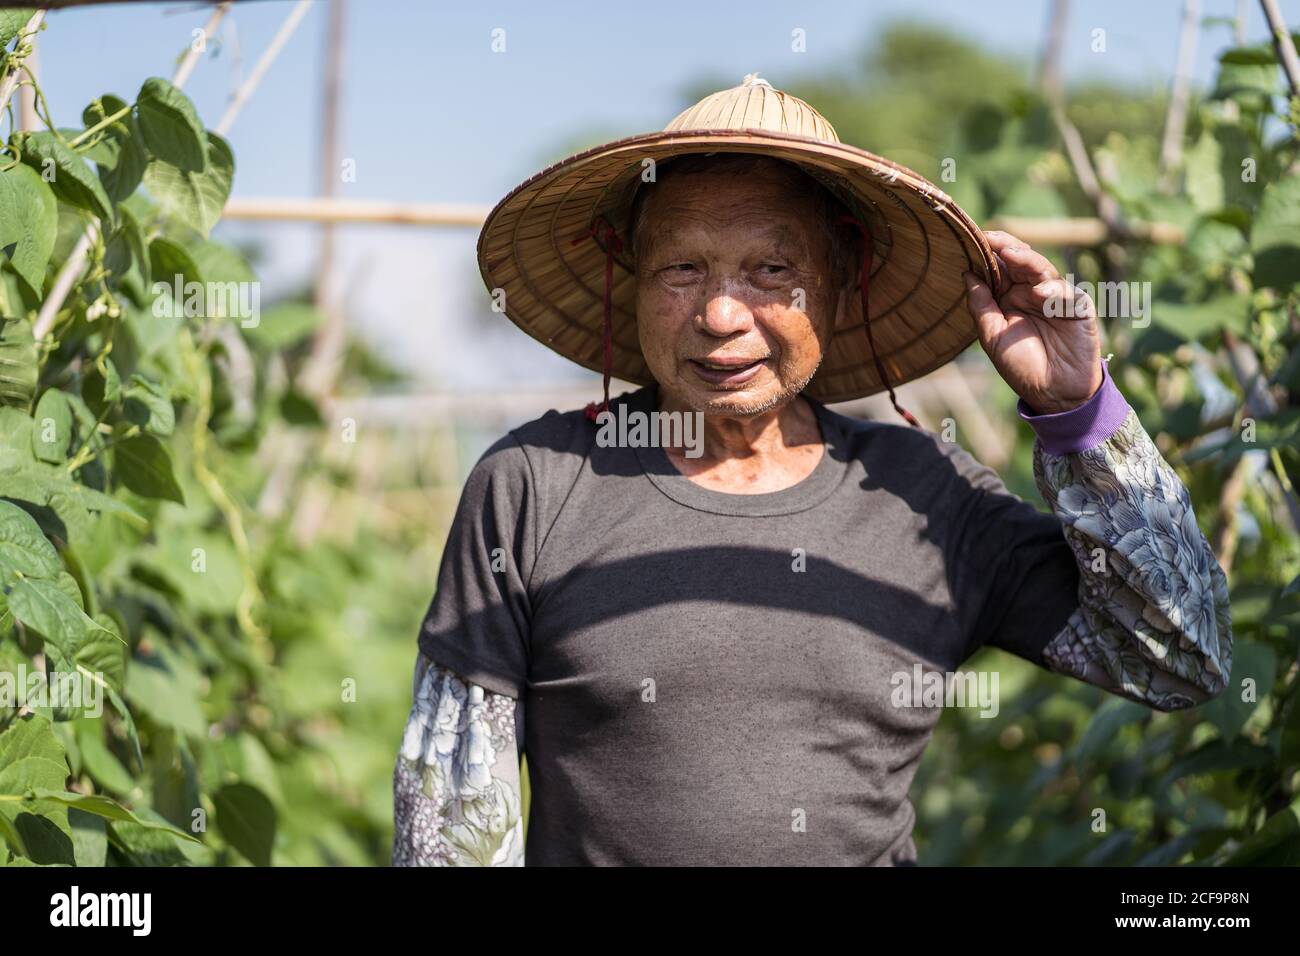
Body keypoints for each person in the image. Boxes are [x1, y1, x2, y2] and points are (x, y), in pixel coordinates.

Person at [391, 75, 1232, 866]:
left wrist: (1078, 414)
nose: (722, 314)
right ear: (633, 281)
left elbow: (1178, 659)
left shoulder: (924, 496)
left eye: (773, 271)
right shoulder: (535, 487)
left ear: (839, 286)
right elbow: (456, 818)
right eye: (683, 268)